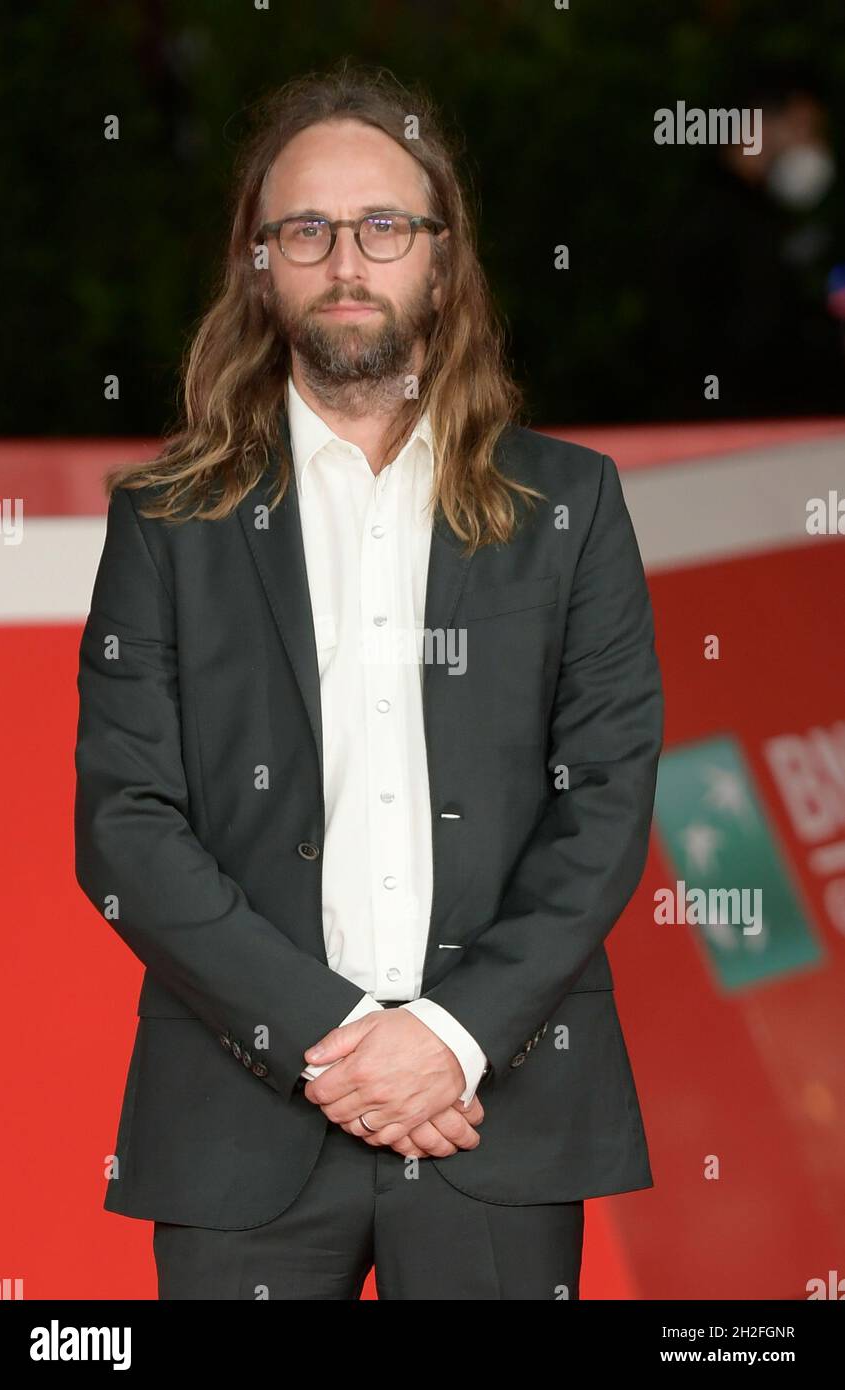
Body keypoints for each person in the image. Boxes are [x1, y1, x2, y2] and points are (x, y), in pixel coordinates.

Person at [74, 61, 664, 1301]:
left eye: (384, 226)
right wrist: (335, 1049)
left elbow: (603, 804)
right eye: (307, 230)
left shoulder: (570, 503)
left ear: (441, 260)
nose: (347, 260)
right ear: (259, 263)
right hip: (239, 1121)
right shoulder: (167, 518)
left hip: (493, 1107)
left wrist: (446, 1039)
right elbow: (125, 825)